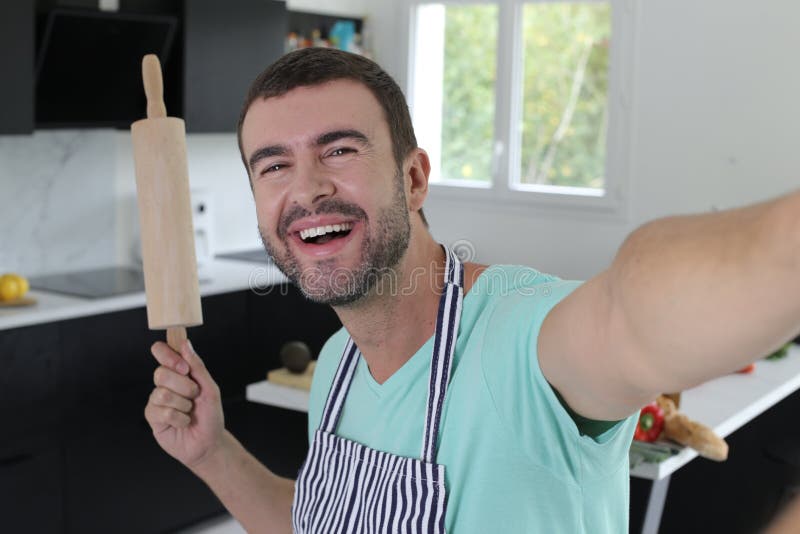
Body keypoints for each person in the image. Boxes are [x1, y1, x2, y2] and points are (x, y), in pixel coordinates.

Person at [144, 48, 800, 533]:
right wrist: (214, 454)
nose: (307, 188)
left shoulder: (517, 339)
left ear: (415, 178)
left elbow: (628, 315)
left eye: (339, 150)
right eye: (275, 165)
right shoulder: (339, 368)